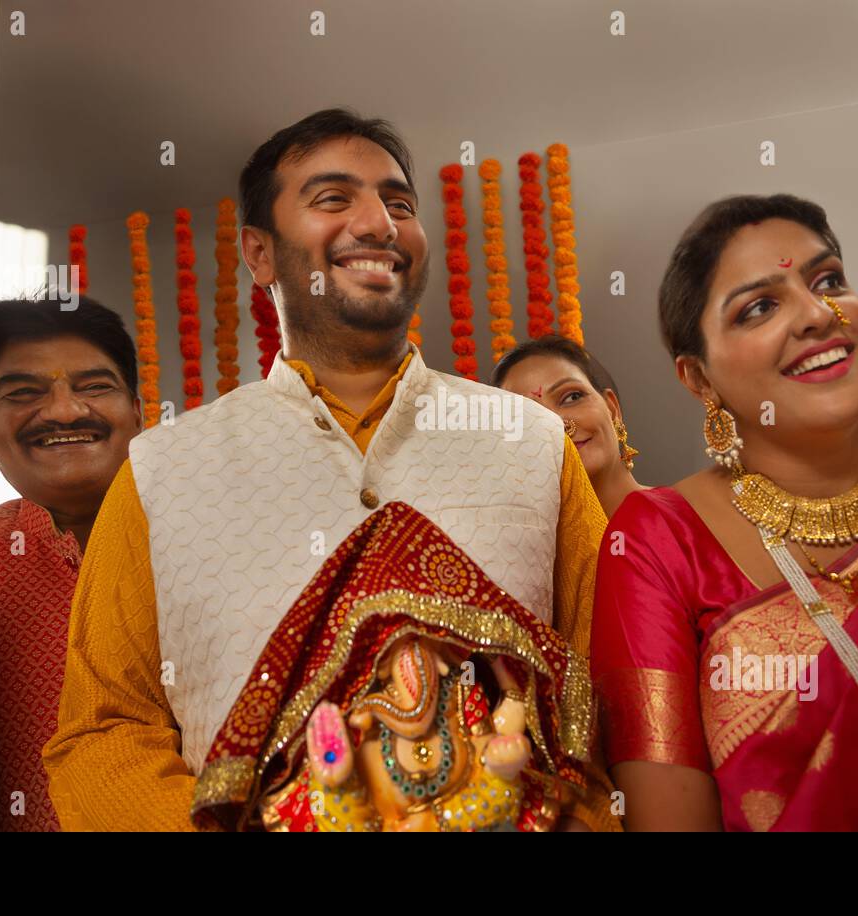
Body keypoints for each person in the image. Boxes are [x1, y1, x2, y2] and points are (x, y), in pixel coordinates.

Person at [43, 108, 617, 831]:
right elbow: (103, 730)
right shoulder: (162, 470)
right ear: (258, 253)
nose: (378, 222)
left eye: (399, 203)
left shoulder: (532, 442)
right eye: (334, 198)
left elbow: (607, 695)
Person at [591, 194, 858, 831]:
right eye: (760, 306)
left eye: (828, 281)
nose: (819, 314)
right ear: (699, 379)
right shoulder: (659, 539)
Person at [0, 294, 143, 831]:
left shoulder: (210, 541)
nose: (63, 411)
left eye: (94, 387)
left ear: (139, 414)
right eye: (23, 393)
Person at [492, 335, 645, 518]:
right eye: (529, 417)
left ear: (612, 409)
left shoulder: (685, 514)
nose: (557, 425)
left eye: (572, 397)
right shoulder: (512, 545)